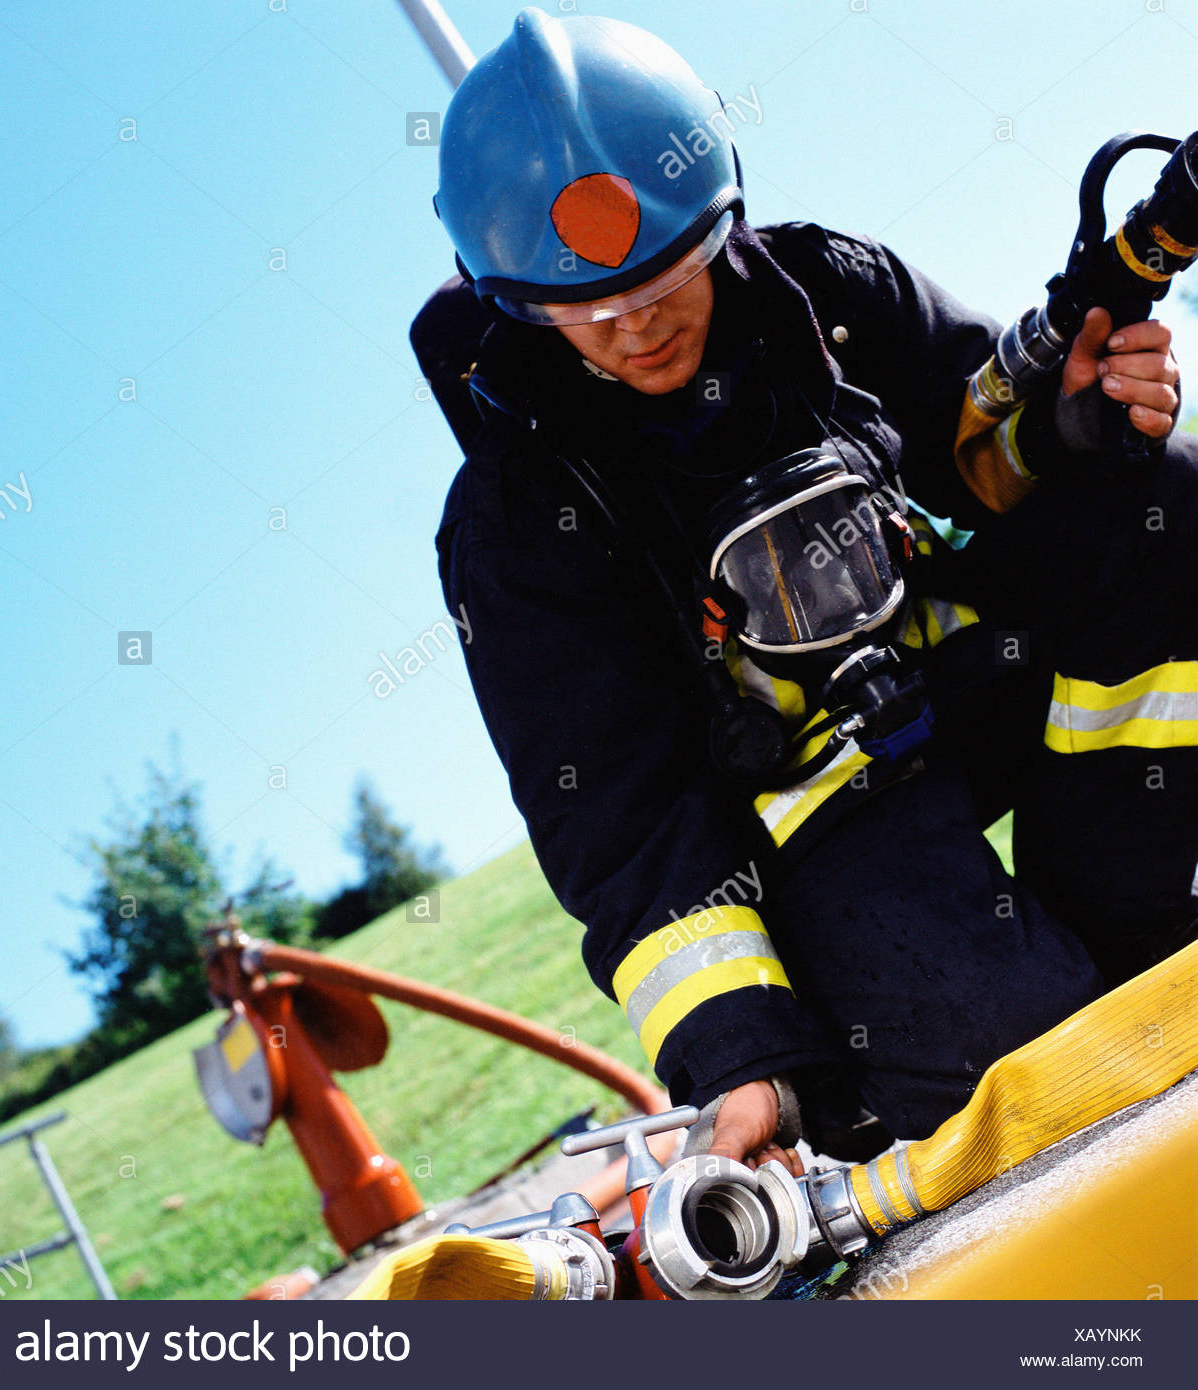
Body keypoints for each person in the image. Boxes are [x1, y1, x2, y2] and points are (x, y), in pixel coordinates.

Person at [410, 9, 1195, 1172]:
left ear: (721, 217)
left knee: (1151, 492)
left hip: (964, 689)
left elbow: (981, 452)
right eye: (578, 307)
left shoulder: (827, 292)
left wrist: (1075, 424)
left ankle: (1132, 923)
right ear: (506, 298)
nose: (632, 325)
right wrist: (742, 1055)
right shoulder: (517, 527)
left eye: (664, 276)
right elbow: (619, 821)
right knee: (1039, 1076)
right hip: (800, 825)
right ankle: (972, 1021)